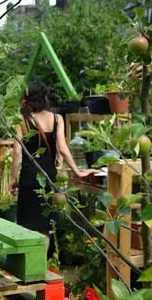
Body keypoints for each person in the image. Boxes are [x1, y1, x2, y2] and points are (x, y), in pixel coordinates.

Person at [10, 81, 98, 249]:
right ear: (45, 97)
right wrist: (77, 171)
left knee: (26, 226)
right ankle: (42, 267)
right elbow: (63, 148)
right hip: (49, 177)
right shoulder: (57, 119)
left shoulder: (22, 120)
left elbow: (17, 153)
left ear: (27, 98)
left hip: (29, 178)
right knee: (44, 227)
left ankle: (29, 269)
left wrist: (13, 179)